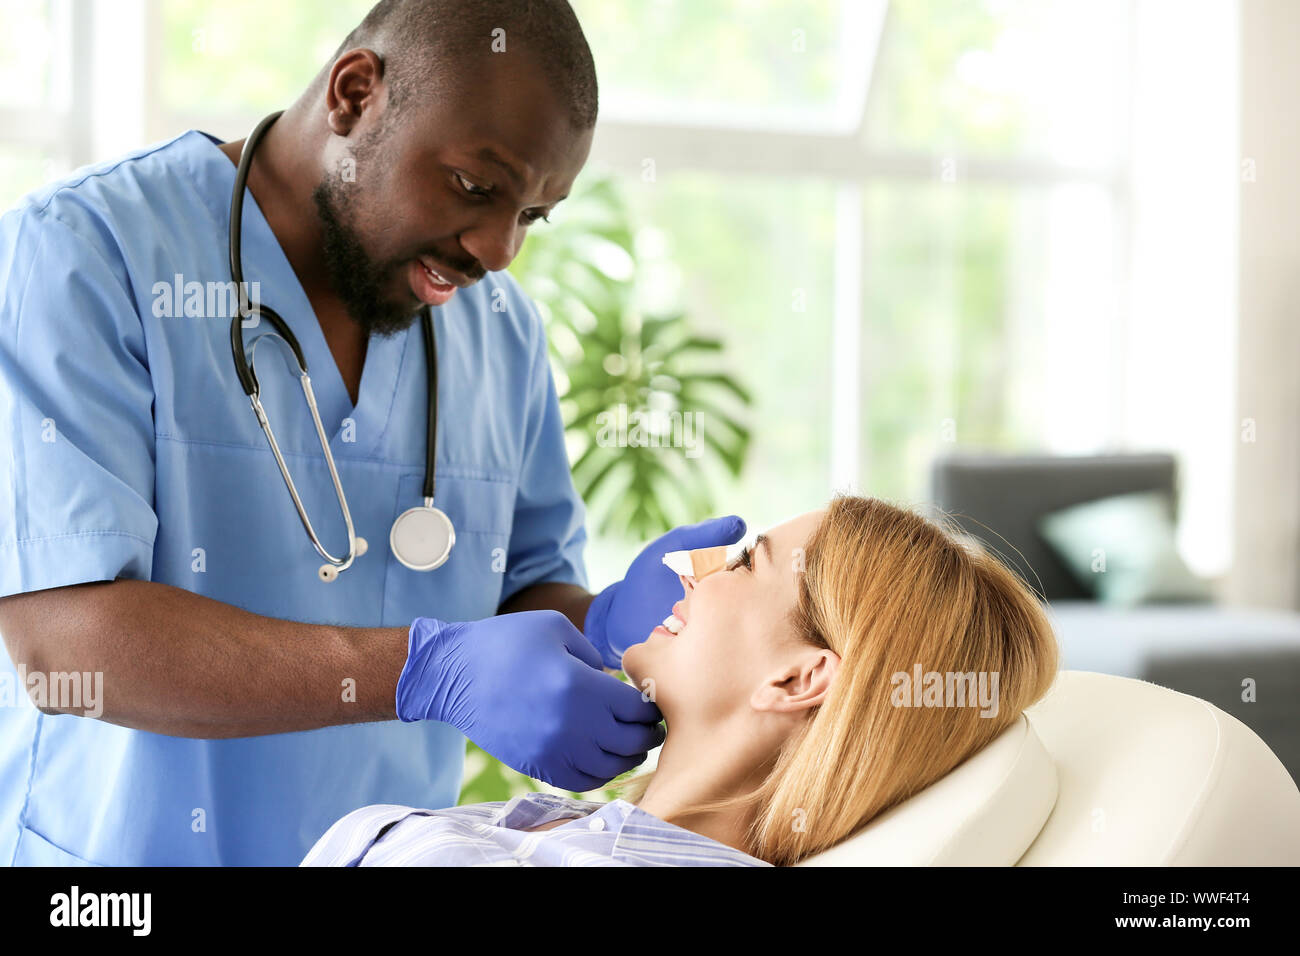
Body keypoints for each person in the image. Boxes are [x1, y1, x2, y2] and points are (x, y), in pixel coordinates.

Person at [0, 0, 742, 866]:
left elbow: (518, 598)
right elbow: (60, 638)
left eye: (535, 215)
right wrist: (420, 672)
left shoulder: (498, 329)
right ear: (356, 93)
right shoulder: (87, 255)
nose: (500, 249)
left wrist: (608, 624)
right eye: (477, 186)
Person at [302, 494, 1061, 867]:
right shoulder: (575, 838)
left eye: (745, 562)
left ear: (798, 677)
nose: (692, 570)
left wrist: (424, 669)